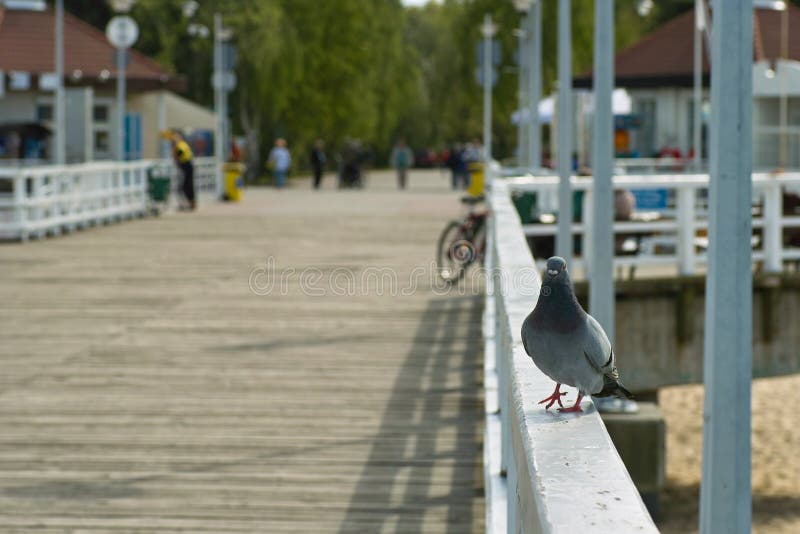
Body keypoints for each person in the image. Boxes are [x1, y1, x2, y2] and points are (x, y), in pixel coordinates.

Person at [162, 130, 195, 210]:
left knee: (184, 187)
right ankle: (188, 203)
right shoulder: (182, 144)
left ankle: (188, 203)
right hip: (186, 167)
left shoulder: (180, 145)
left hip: (186, 167)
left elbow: (177, 156)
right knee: (185, 186)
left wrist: (173, 148)